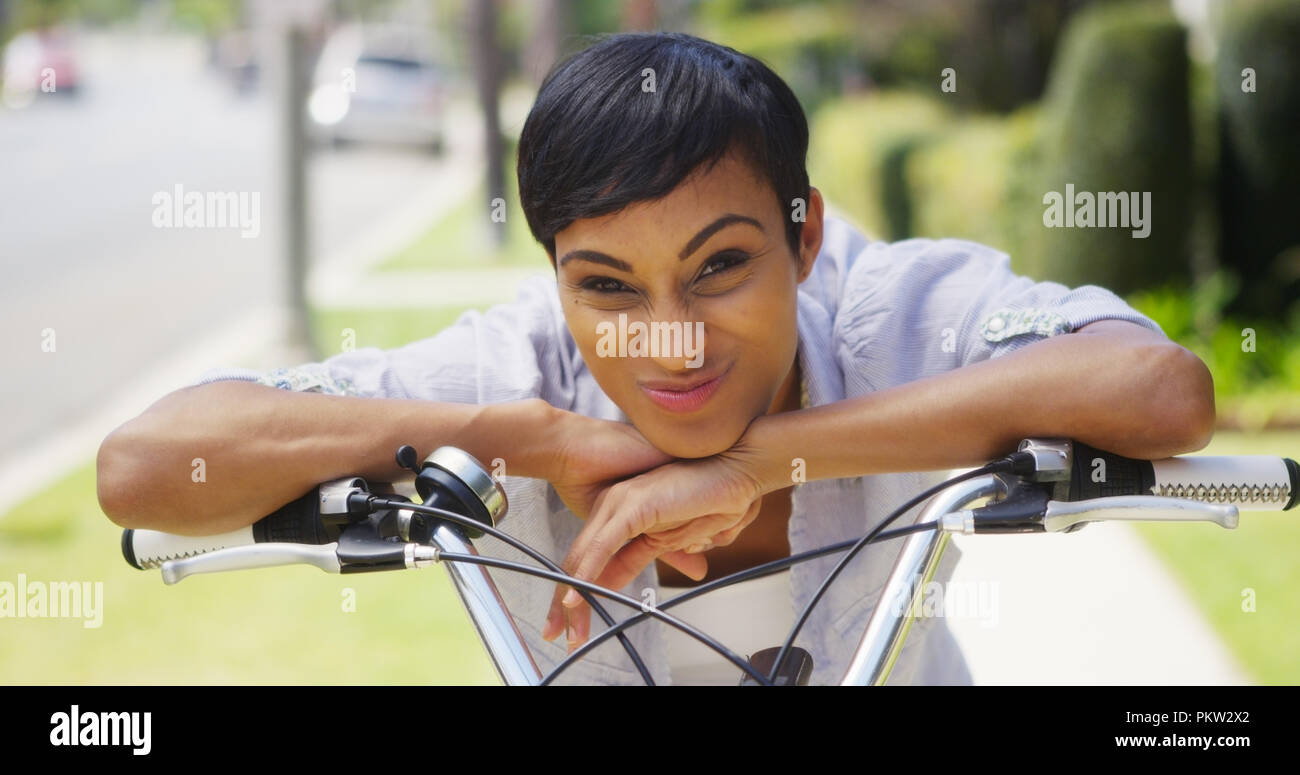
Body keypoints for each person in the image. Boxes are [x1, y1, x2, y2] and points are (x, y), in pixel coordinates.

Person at [97, 31, 1215, 685]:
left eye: (721, 266)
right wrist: (519, 436)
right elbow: (141, 468)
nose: (669, 334)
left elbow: (1158, 388)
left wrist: (762, 460)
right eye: (606, 285)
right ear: (556, 280)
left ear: (804, 234)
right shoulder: (516, 371)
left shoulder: (888, 309)